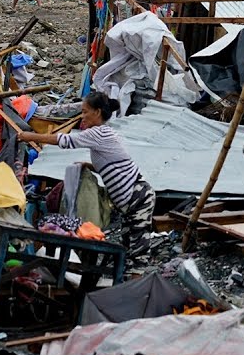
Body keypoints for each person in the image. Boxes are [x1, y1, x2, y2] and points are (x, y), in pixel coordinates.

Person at [18, 92, 155, 260]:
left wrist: (28, 136)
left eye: (85, 111)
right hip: (131, 201)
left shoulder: (98, 133)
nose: (82, 116)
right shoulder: (104, 134)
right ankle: (128, 282)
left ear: (97, 112)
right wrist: (89, 165)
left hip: (137, 197)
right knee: (127, 248)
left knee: (137, 252)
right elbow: (111, 164)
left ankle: (137, 284)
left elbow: (66, 141)